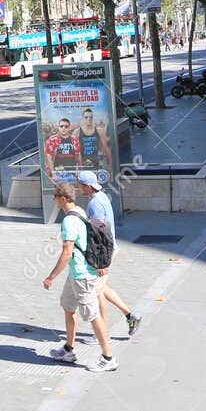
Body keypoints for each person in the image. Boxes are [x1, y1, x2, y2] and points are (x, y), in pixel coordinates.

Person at [43, 181, 118, 372]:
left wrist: (51, 277)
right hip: (75, 274)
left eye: (55, 197)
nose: (54, 200)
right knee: (68, 307)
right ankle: (68, 349)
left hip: (83, 275)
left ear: (62, 199)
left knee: (92, 315)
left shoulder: (69, 221)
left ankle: (108, 358)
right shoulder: (80, 211)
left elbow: (67, 252)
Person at [77, 171, 140, 337]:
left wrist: (101, 262)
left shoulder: (94, 205)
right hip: (109, 250)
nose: (78, 188)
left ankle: (102, 333)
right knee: (102, 288)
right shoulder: (102, 197)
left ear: (88, 186)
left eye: (80, 185)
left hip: (104, 253)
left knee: (97, 293)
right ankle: (130, 315)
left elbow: (100, 233)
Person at [76, 108, 112, 173]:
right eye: (86, 117)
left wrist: (110, 164)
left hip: (97, 162)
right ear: (83, 118)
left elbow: (106, 148)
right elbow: (74, 151)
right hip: (83, 162)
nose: (89, 119)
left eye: (90, 117)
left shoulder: (99, 131)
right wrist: (77, 166)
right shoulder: (77, 132)